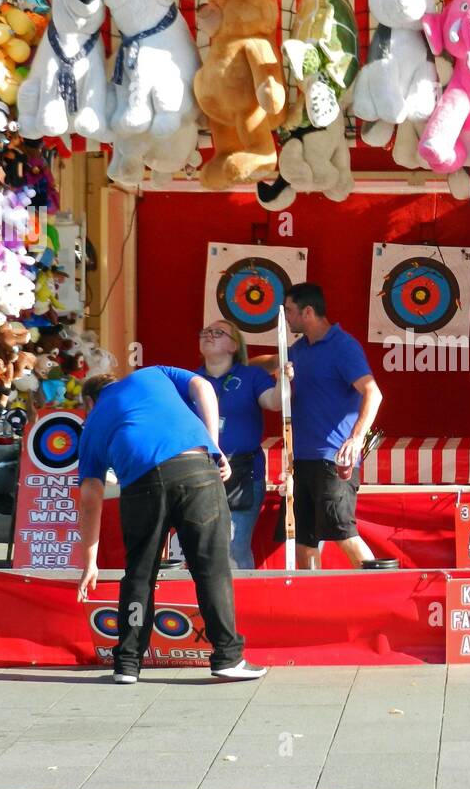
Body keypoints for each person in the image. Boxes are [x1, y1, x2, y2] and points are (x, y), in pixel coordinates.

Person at [73, 367, 266, 684]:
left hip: (140, 484)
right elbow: (202, 386)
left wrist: (89, 562)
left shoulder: (93, 423)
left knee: (139, 572)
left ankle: (127, 664)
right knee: (210, 567)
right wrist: (213, 448)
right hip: (195, 468)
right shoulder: (152, 374)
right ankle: (228, 658)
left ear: (89, 403)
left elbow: (90, 496)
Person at [282, 282, 383, 569]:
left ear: (308, 312)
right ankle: (310, 604)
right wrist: (248, 363)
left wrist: (356, 439)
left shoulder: (343, 346)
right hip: (302, 459)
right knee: (304, 542)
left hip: (333, 458)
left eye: (290, 310)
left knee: (343, 533)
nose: (287, 317)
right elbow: (272, 364)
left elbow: (374, 393)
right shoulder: (298, 350)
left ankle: (379, 593)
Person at [197, 318, 283, 569]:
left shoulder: (252, 375)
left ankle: (243, 603)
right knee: (205, 544)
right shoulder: (191, 380)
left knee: (234, 544)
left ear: (234, 346)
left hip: (244, 472)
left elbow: (274, 403)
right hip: (201, 472)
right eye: (205, 332)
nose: (209, 335)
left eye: (218, 332)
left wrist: (284, 381)